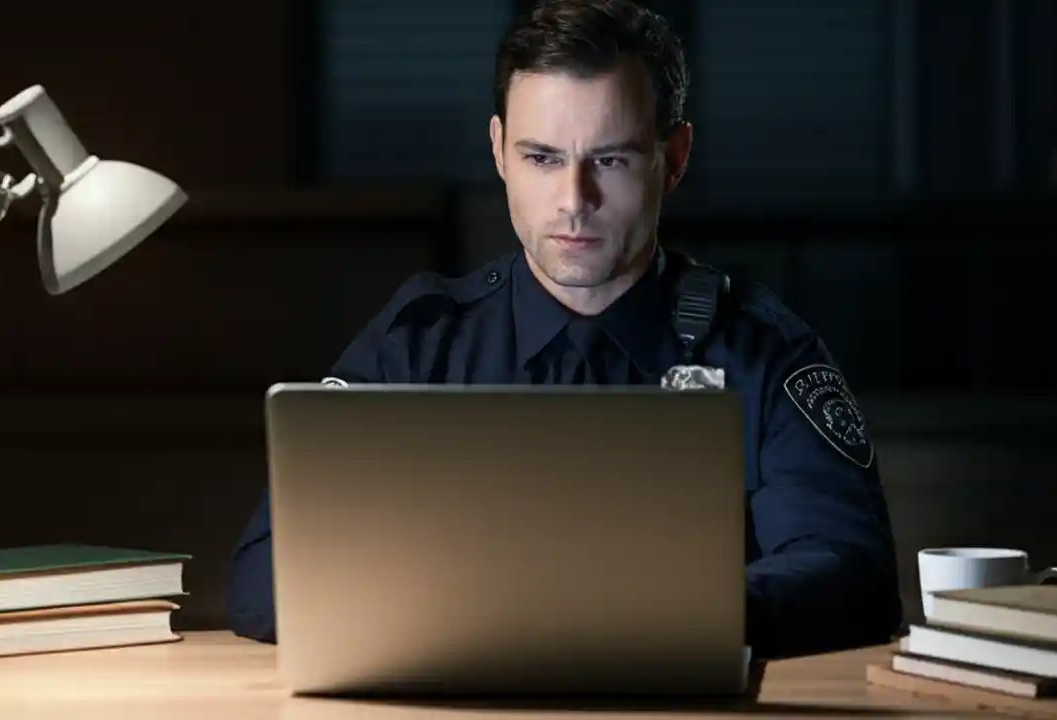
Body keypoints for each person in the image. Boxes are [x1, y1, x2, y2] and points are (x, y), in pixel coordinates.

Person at [227, 0, 901, 660]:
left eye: (611, 160)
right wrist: (524, 614)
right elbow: (265, 576)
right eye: (542, 158)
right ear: (498, 151)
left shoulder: (762, 350)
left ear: (675, 158)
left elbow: (850, 574)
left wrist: (641, 620)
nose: (573, 201)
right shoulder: (420, 343)